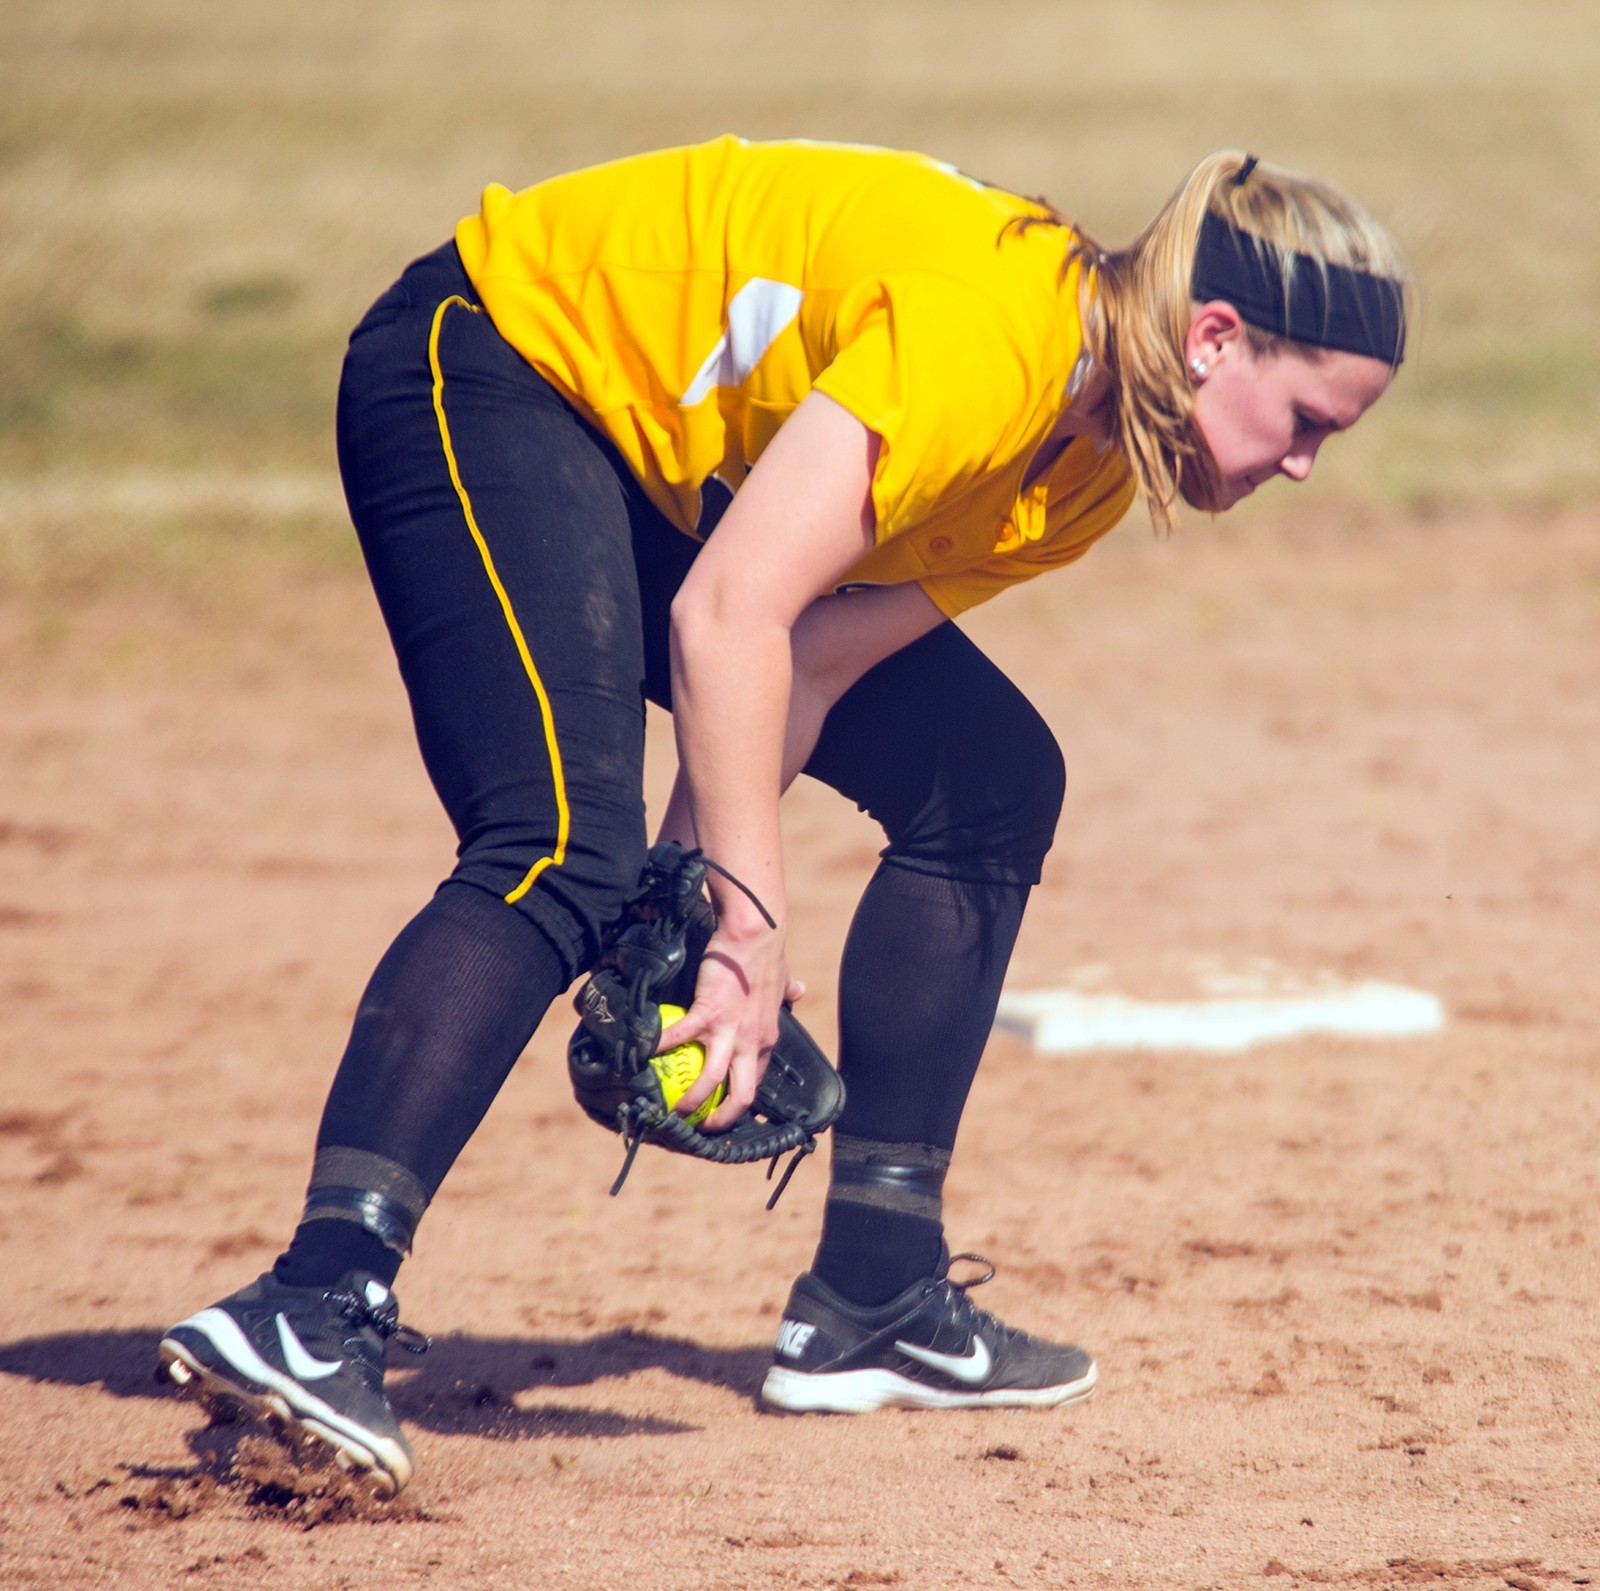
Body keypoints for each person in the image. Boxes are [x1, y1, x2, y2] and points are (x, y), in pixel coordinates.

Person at [157, 136, 1410, 1494]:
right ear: (1215, 336)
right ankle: (312, 1297)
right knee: (560, 846)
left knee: (989, 780)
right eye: (1310, 423)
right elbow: (727, 611)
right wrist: (746, 931)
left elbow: (804, 657)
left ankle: (875, 1294)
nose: (1305, 468)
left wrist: (685, 904)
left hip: (642, 470)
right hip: (491, 364)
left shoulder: (1088, 476)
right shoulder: (989, 345)